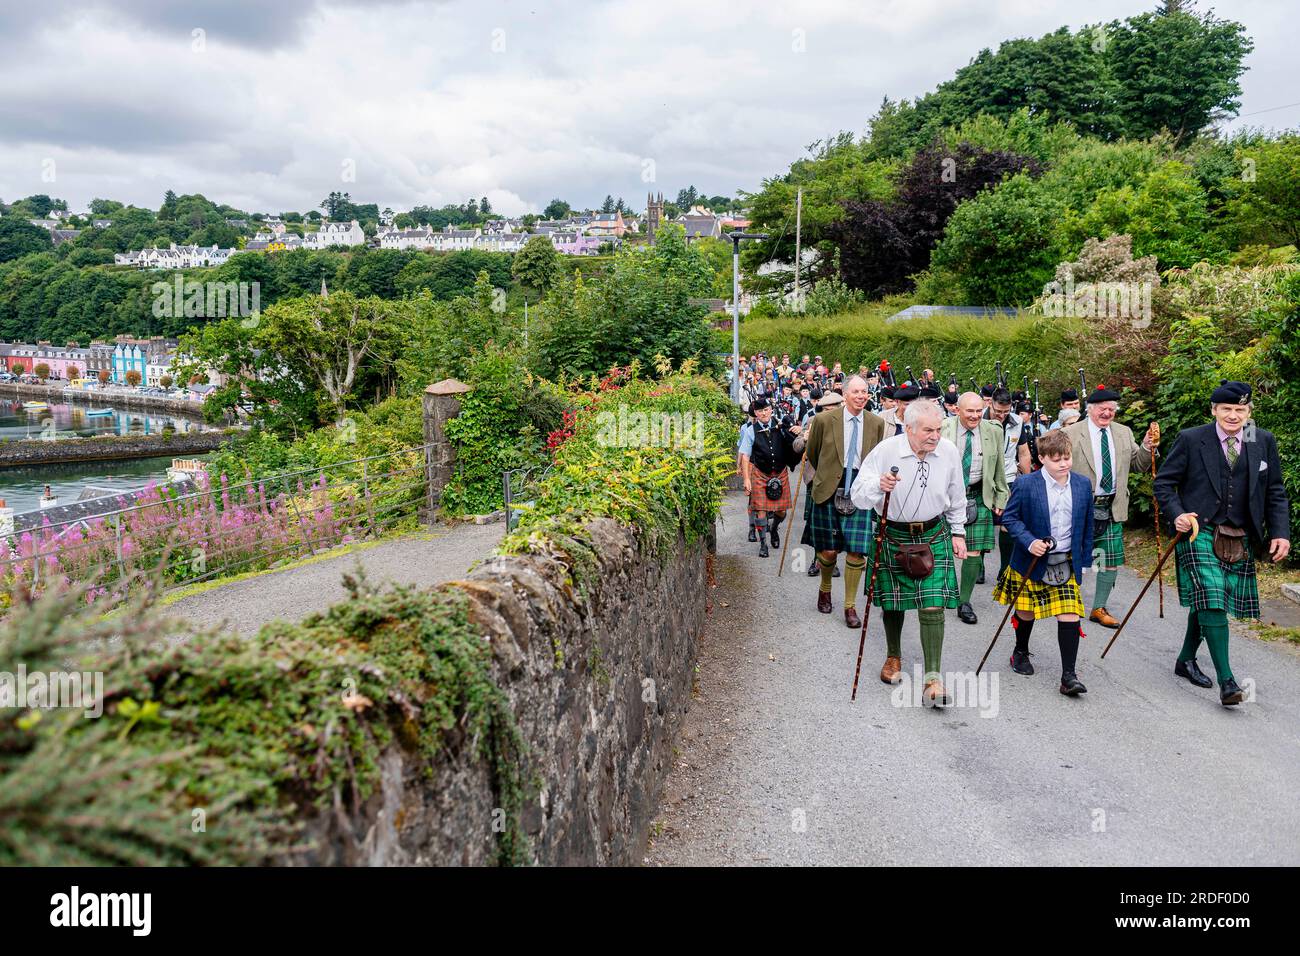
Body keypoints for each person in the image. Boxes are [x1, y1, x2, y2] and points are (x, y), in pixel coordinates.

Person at [1153, 381, 1291, 706]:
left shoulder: (1262, 439)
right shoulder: (1191, 439)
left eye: (1240, 410)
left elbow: (1275, 491)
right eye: (1226, 409)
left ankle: (1185, 659)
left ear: (1248, 412)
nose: (1233, 415)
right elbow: (1165, 483)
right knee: (1214, 599)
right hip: (1199, 530)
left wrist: (1280, 532)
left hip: (1239, 535)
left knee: (1209, 598)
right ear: (1213, 410)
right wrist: (1177, 514)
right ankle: (1227, 681)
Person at [852, 401, 968, 704]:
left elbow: (957, 496)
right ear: (910, 428)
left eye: (939, 429)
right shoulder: (887, 451)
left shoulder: (949, 452)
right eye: (928, 430)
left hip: (933, 533)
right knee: (893, 602)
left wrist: (959, 532)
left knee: (933, 604)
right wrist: (879, 484)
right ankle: (893, 656)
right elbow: (858, 494)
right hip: (893, 534)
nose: (935, 436)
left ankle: (933, 677)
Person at [993, 429, 1095, 695]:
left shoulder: (1083, 485)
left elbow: (1086, 526)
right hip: (1031, 560)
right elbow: (1010, 519)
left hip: (1065, 561)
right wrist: (1030, 541)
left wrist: (1084, 560)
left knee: (1070, 614)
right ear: (1042, 459)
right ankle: (1021, 650)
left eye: (1067, 458)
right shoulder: (1026, 484)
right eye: (1057, 459)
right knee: (1027, 612)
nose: (1064, 464)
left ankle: (1069, 676)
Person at [1063, 385, 1158, 628]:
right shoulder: (1072, 433)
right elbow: (1057, 467)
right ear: (1090, 409)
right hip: (1079, 506)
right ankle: (1067, 601)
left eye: (1112, 409)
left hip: (1112, 506)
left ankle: (1098, 608)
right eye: (1102, 409)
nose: (1107, 413)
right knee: (1073, 556)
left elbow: (1138, 465)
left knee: (1109, 560)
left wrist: (1147, 446)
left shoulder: (1124, 432)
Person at [803, 376, 886, 627]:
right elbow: (814, 454)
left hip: (860, 490)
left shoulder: (877, 423)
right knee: (828, 550)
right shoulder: (823, 420)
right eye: (856, 391)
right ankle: (825, 587)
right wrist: (829, 478)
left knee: (857, 551)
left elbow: (876, 458)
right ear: (845, 394)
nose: (861, 396)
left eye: (865, 392)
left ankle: (850, 606)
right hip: (829, 488)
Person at [942, 392, 1010, 625]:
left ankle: (964, 601)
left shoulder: (994, 430)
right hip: (944, 496)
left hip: (977, 496)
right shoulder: (943, 428)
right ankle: (941, 592)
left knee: (973, 552)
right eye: (969, 411)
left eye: (978, 410)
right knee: (942, 549)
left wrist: (1001, 496)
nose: (974, 415)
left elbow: (999, 466)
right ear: (957, 410)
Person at [738, 397, 800, 558]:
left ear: (771, 410)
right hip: (760, 473)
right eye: (760, 411)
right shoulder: (750, 431)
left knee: (781, 511)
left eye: (766, 410)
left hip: (780, 472)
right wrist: (746, 479)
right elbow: (745, 456)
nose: (764, 413)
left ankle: (774, 528)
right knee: (760, 510)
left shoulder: (781, 426)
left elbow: (795, 442)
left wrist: (799, 432)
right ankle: (763, 544)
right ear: (756, 414)